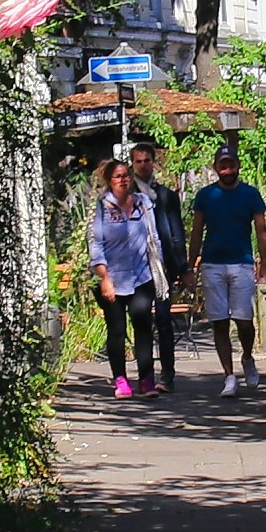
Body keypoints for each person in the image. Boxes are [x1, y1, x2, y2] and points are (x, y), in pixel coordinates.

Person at [187, 139, 266, 395]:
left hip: (241, 263)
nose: (227, 170)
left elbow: (261, 231)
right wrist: (191, 266)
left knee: (244, 319)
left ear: (238, 166)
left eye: (231, 165)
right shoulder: (206, 196)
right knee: (220, 321)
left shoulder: (250, 194)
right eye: (222, 166)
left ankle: (247, 356)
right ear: (215, 168)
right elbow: (195, 233)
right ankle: (228, 375)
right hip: (213, 263)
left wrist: (265, 267)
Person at [87, 154, 167, 399]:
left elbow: (154, 239)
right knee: (117, 330)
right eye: (117, 177)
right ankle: (120, 380)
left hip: (141, 276)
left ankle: (146, 379)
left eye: (126, 175)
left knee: (143, 325)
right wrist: (104, 277)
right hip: (114, 278)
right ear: (110, 181)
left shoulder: (143, 204)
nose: (123, 180)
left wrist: (160, 272)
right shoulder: (103, 207)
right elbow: (96, 245)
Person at [128, 141, 189, 396]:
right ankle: (145, 378)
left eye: (147, 160)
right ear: (133, 164)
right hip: (136, 269)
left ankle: (168, 375)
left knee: (164, 321)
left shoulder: (166, 196)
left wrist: (183, 266)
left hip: (162, 268)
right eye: (138, 161)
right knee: (141, 321)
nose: (143, 165)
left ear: (154, 162)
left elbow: (177, 233)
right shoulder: (126, 195)